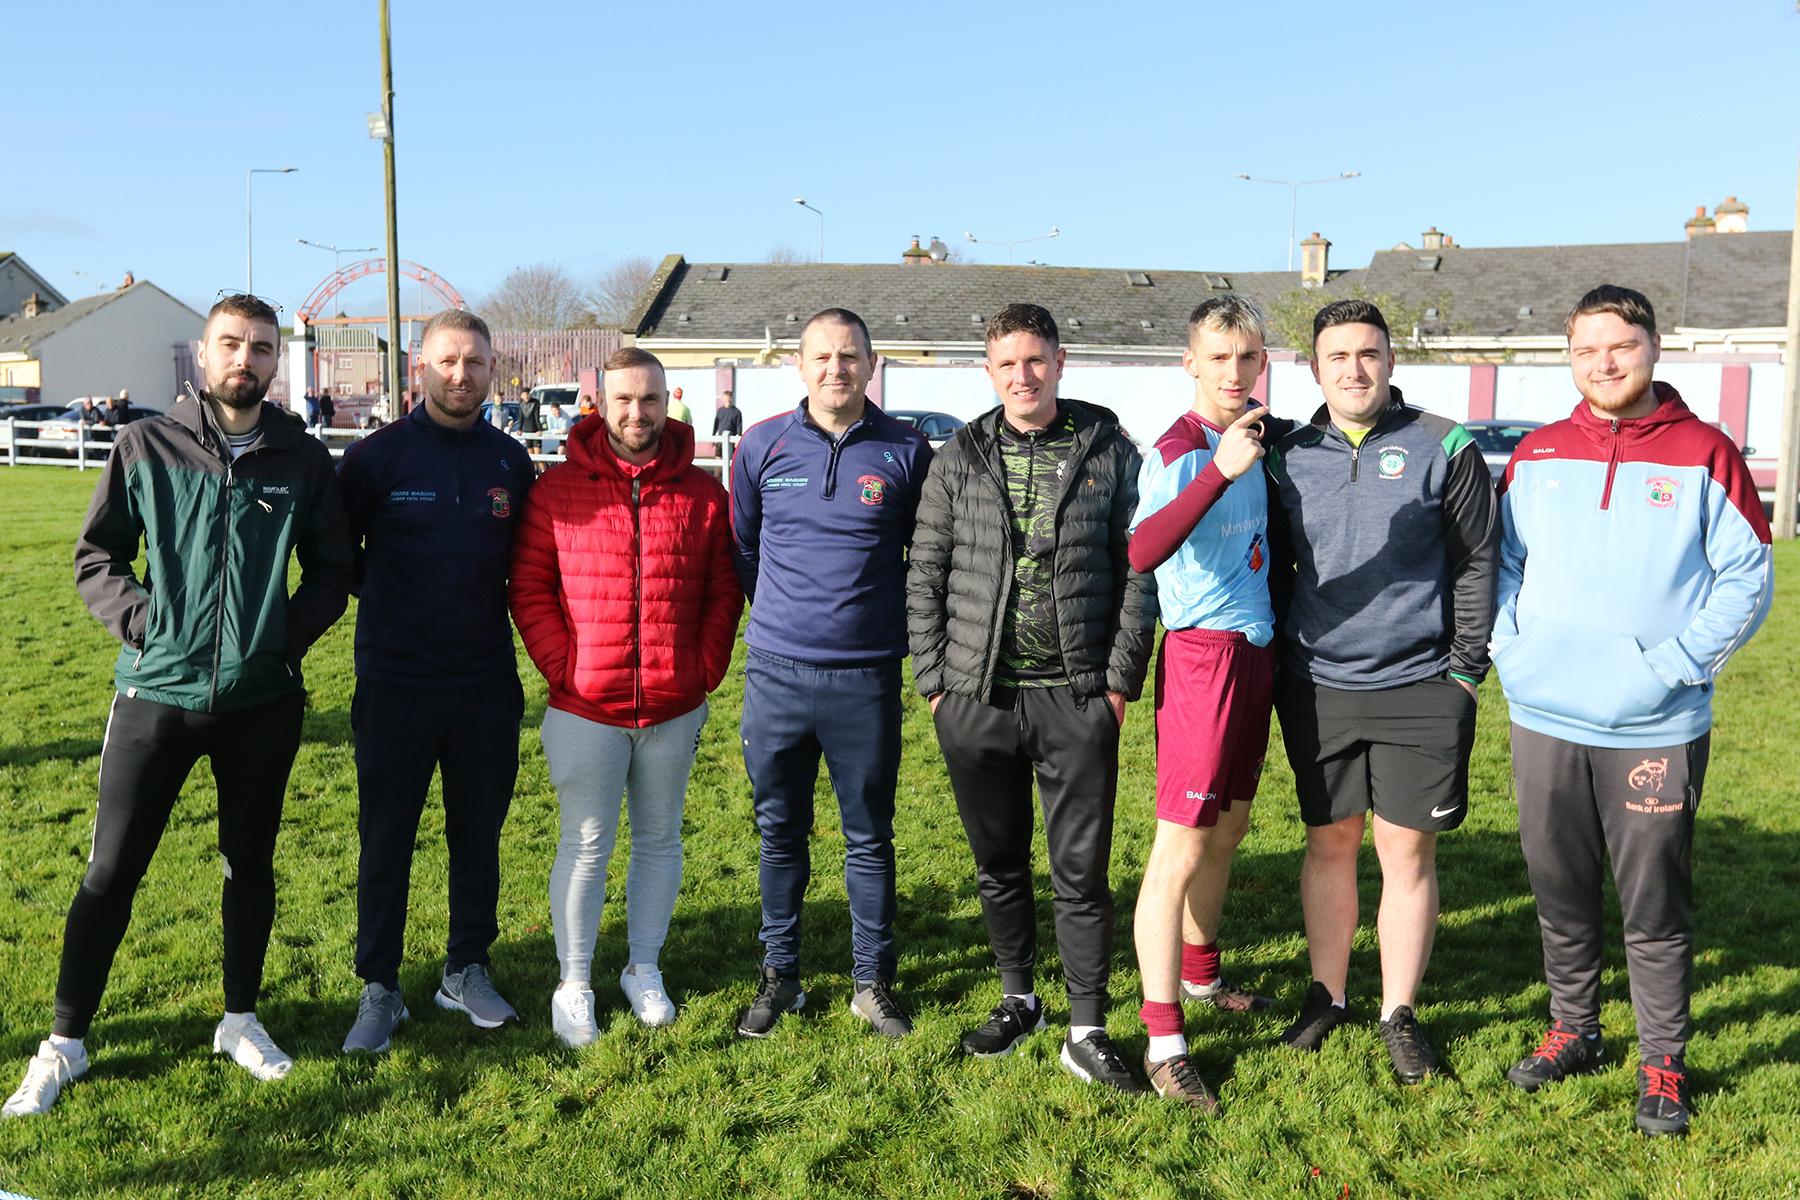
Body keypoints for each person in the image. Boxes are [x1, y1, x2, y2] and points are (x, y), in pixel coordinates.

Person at [4, 294, 352, 1118]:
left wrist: (279, 639)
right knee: (111, 871)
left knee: (249, 865)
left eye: (261, 348)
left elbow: (336, 571)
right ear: (203, 355)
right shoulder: (144, 443)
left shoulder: (302, 461)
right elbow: (98, 556)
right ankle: (65, 1041)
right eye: (230, 344)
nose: (246, 359)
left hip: (263, 702)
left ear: (276, 362)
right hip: (155, 696)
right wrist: (147, 622)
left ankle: (240, 1020)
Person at [1493, 285, 1772, 1136]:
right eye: (1585, 350)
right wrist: (1513, 647)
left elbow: (1750, 575)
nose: (1603, 364)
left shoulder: (1706, 453)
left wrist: (1675, 667)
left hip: (1655, 725)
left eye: (1619, 346)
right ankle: (1574, 1030)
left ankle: (1663, 1063)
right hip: (1545, 717)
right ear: (1568, 356)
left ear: (1652, 347)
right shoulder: (1536, 456)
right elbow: (1503, 562)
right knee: (1559, 890)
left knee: (1652, 905)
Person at [907, 302, 1156, 1093]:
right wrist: (937, 685)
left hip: (1075, 697)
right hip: (975, 699)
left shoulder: (1110, 449)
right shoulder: (958, 455)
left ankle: (1087, 1028)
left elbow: (1139, 570)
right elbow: (925, 573)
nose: (1024, 375)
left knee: (1080, 872)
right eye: (1008, 363)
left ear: (1059, 362)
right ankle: (1020, 998)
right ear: (990, 371)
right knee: (999, 864)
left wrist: (1117, 683)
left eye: (1036, 360)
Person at [1263, 298, 1497, 1083]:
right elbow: (1277, 566)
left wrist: (1463, 672)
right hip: (1317, 683)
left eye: (1368, 354)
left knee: (1405, 851)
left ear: (1391, 361)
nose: (1354, 369)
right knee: (1330, 841)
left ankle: (1399, 1012)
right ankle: (1326, 996)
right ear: (1315, 367)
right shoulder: (1286, 452)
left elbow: (1476, 563)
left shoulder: (1446, 444)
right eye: (1338, 357)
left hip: (1422, 684)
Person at [510, 347, 742, 1045]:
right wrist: (566, 669)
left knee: (660, 840)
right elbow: (530, 588)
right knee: (585, 844)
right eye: (623, 401)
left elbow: (723, 593)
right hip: (585, 707)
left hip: (674, 704)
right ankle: (574, 978)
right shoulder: (555, 492)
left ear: (667, 401)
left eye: (649, 400)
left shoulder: (703, 495)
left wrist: (701, 670)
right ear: (600, 405)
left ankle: (644, 967)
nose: (636, 414)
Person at [337, 309, 536, 1054]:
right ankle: (379, 986)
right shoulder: (374, 460)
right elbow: (337, 556)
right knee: (385, 839)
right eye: (447, 361)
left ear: (493, 370)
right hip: (394, 685)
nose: (461, 375)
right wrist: (397, 603)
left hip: (485, 685)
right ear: (421, 367)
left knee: (476, 837)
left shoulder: (511, 464)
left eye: (475, 363)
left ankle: (466, 967)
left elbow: (530, 566)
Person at [730, 308, 932, 1040]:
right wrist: (788, 621)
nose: (835, 369)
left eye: (849, 356)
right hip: (777, 676)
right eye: (822, 357)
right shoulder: (761, 447)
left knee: (869, 836)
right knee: (779, 832)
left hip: (865, 680)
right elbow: (745, 550)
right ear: (799, 365)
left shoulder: (907, 451)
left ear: (870, 364)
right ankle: (780, 976)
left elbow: (925, 563)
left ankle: (871, 982)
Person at [1125, 296, 1281, 1109]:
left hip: (1255, 656)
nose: (1234, 372)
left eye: (1247, 357)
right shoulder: (1182, 452)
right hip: (1201, 661)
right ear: (1191, 364)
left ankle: (1202, 978)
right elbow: (1143, 550)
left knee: (1228, 830)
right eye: (1218, 358)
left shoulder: (1257, 437)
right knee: (1178, 849)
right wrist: (1219, 471)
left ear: (1264, 364)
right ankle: (1163, 1040)